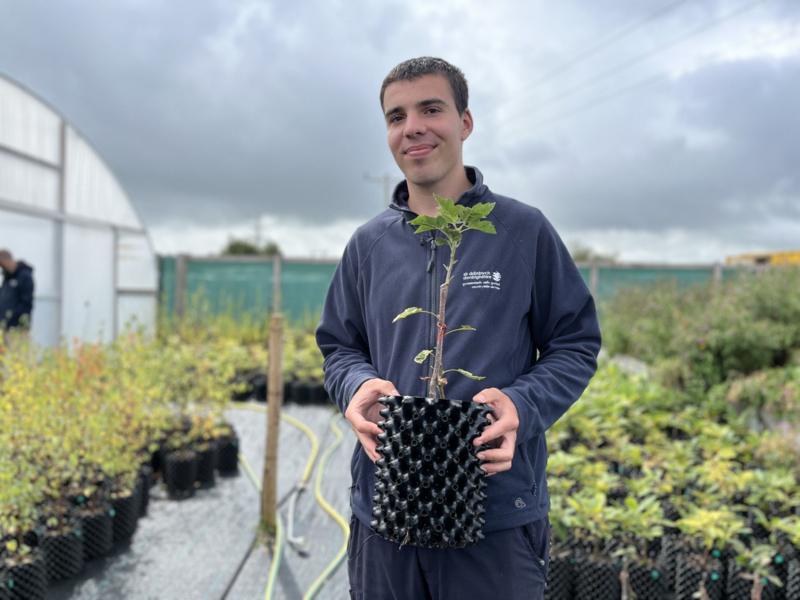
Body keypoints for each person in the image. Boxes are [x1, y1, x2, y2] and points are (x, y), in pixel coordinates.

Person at [316, 57, 601, 600]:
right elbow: (339, 346)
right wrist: (355, 386)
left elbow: (575, 342)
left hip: (496, 512)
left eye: (431, 109)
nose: (413, 127)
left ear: (464, 123)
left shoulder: (521, 231)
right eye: (396, 116)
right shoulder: (369, 245)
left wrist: (524, 403)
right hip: (386, 507)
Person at [0, 249, 35, 336]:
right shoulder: (7, 277)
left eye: (2, 264)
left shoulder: (24, 276)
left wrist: (12, 318)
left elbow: (26, 303)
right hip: (5, 326)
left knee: (16, 348)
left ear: (6, 260)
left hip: (18, 327)